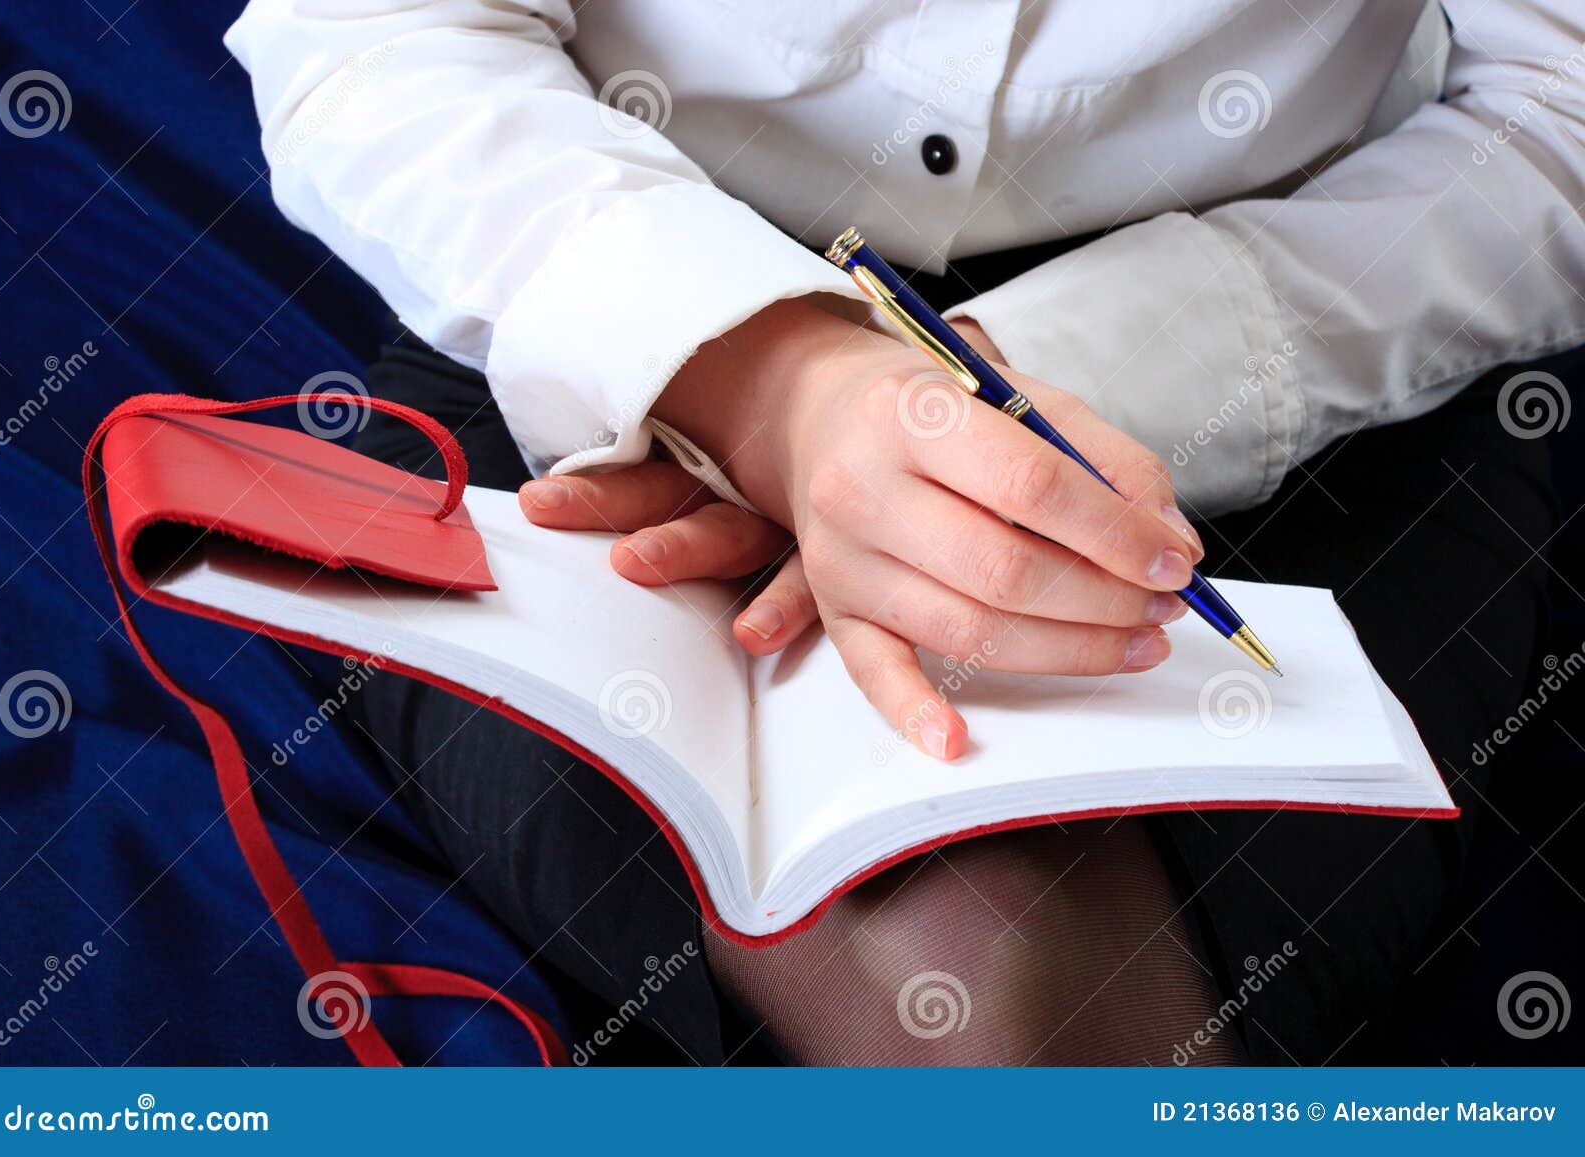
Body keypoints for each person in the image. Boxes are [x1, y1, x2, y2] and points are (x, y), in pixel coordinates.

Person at [226, 1, 1580, 1064]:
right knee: (940, 977)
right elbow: (367, 33)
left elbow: (1557, 111)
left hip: (1307, 327)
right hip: (601, 288)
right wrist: (763, 375)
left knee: (1032, 1009)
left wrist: (973, 389)